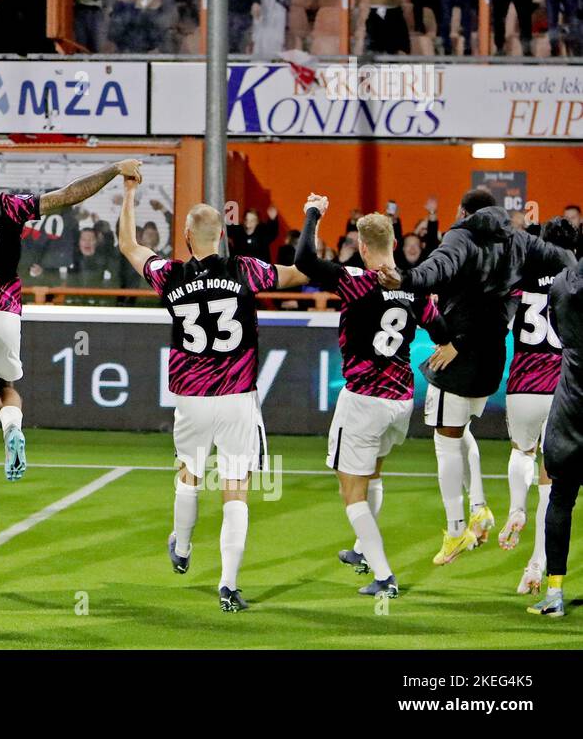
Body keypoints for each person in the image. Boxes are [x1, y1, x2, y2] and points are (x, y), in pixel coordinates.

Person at [0, 101, 141, 548]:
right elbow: (68, 195)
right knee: (6, 388)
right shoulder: (9, 205)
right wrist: (115, 168)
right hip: (3, 313)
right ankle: (13, 426)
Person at [119, 179, 309, 612]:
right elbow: (298, 272)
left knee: (189, 472)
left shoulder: (171, 274)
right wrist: (314, 228)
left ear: (186, 238)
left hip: (190, 398)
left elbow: (128, 244)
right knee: (235, 487)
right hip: (238, 396)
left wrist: (129, 192)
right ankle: (227, 585)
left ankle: (182, 548)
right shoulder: (244, 270)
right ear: (222, 235)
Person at [379, 189, 577, 567]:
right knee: (462, 428)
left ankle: (456, 530)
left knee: (445, 441)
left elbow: (434, 270)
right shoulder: (519, 241)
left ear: (465, 210)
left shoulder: (460, 237)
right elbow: (558, 263)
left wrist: (404, 278)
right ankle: (481, 506)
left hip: (461, 357)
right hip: (494, 361)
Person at [295, 195, 449, 599]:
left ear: (363, 247)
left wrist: (313, 213)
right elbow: (442, 331)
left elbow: (305, 261)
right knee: (373, 472)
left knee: (351, 490)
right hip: (400, 401)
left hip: (364, 399)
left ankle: (384, 575)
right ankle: (363, 550)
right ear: (395, 244)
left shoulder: (354, 280)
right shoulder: (414, 287)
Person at [503, 218, 578, 596]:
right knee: (553, 480)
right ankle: (536, 565)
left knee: (522, 451)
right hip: (563, 387)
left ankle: (516, 506)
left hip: (523, 383)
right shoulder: (574, 280)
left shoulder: (523, 277)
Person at [529, 252, 583, 617]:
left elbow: (560, 330)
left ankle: (554, 594)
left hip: (570, 406)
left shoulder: (563, 283)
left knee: (560, 500)